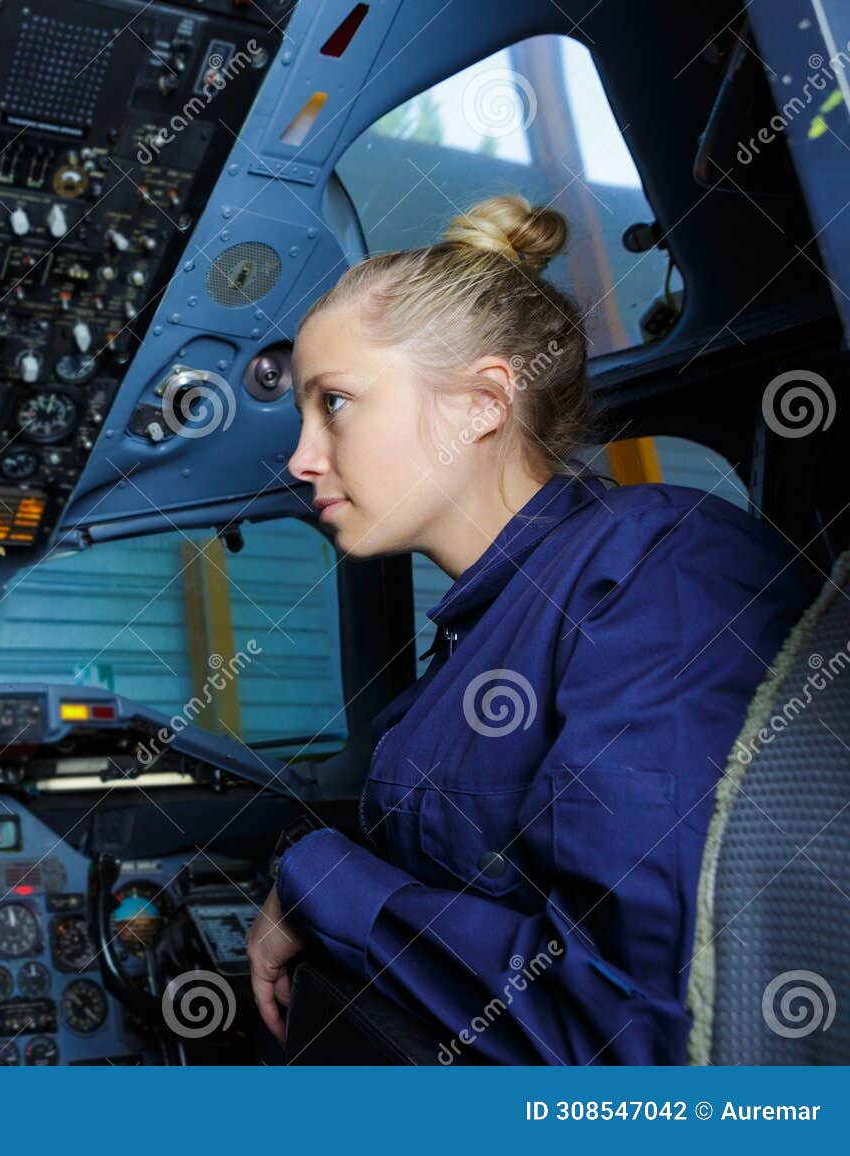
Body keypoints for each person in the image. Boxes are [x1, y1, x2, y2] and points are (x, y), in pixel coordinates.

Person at [245, 195, 809, 1064]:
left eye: (337, 403)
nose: (301, 458)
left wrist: (322, 881)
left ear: (481, 403)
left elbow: (627, 1025)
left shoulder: (658, 570)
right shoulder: (479, 635)